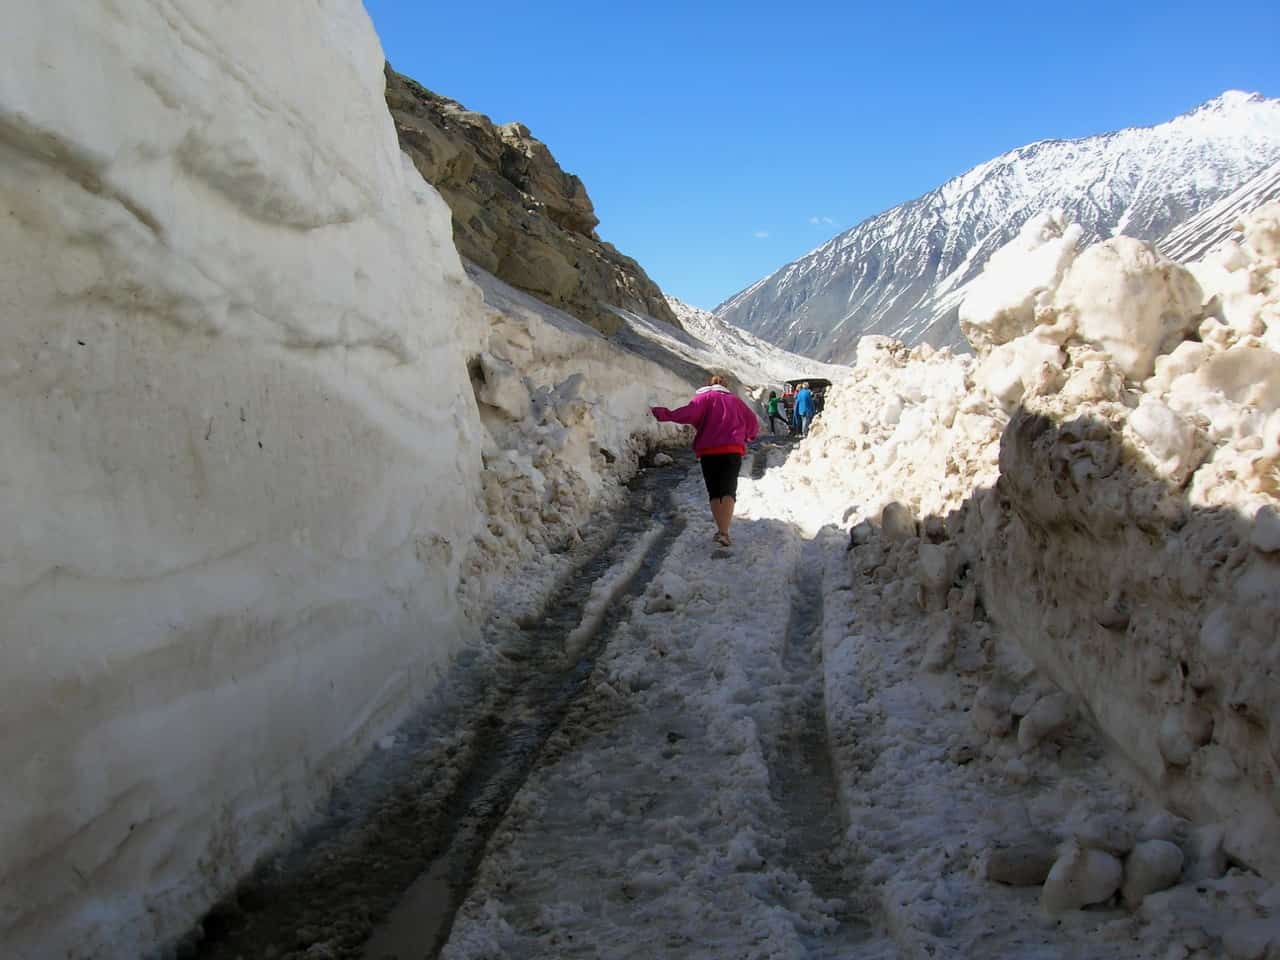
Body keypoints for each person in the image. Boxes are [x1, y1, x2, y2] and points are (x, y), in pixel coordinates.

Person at [651, 374, 759, 548]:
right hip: (732, 450)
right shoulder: (735, 401)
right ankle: (725, 532)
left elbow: (685, 414)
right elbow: (752, 423)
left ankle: (720, 530)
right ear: (725, 386)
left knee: (715, 491)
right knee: (728, 489)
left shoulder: (702, 399)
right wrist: (747, 436)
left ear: (708, 384)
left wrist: (663, 414)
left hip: (709, 451)